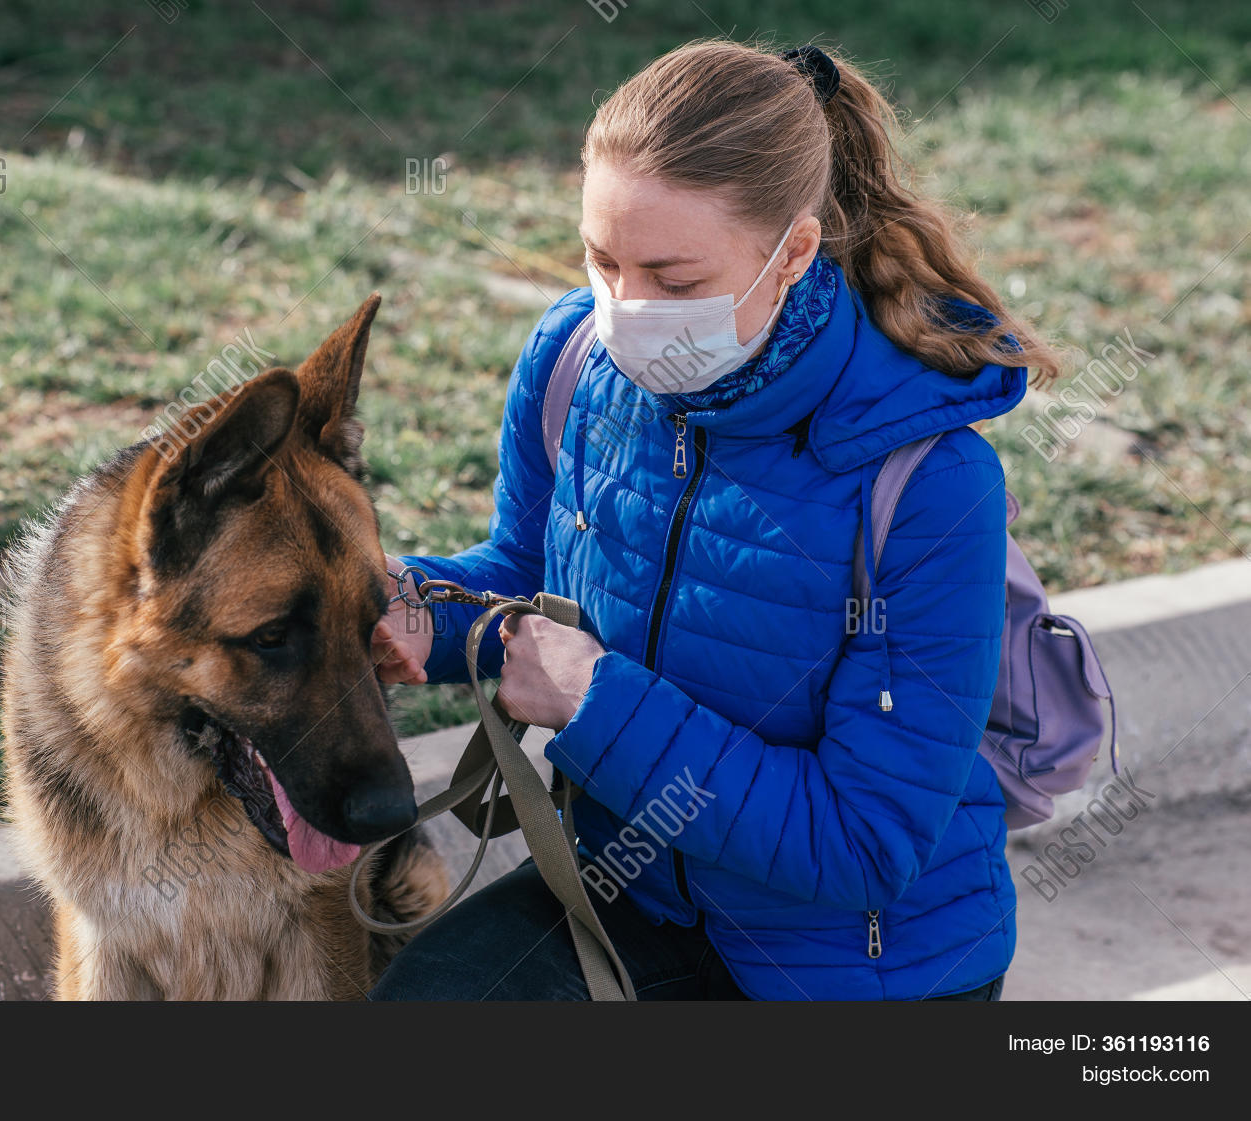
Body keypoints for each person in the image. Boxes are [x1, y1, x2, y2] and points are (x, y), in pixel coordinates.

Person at [368, 39, 1058, 1001]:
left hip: (859, 965)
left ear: (795, 253)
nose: (624, 308)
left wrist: (596, 703)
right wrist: (415, 612)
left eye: (675, 280)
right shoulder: (573, 360)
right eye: (602, 259)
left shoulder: (932, 485)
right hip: (633, 892)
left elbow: (865, 843)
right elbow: (530, 578)